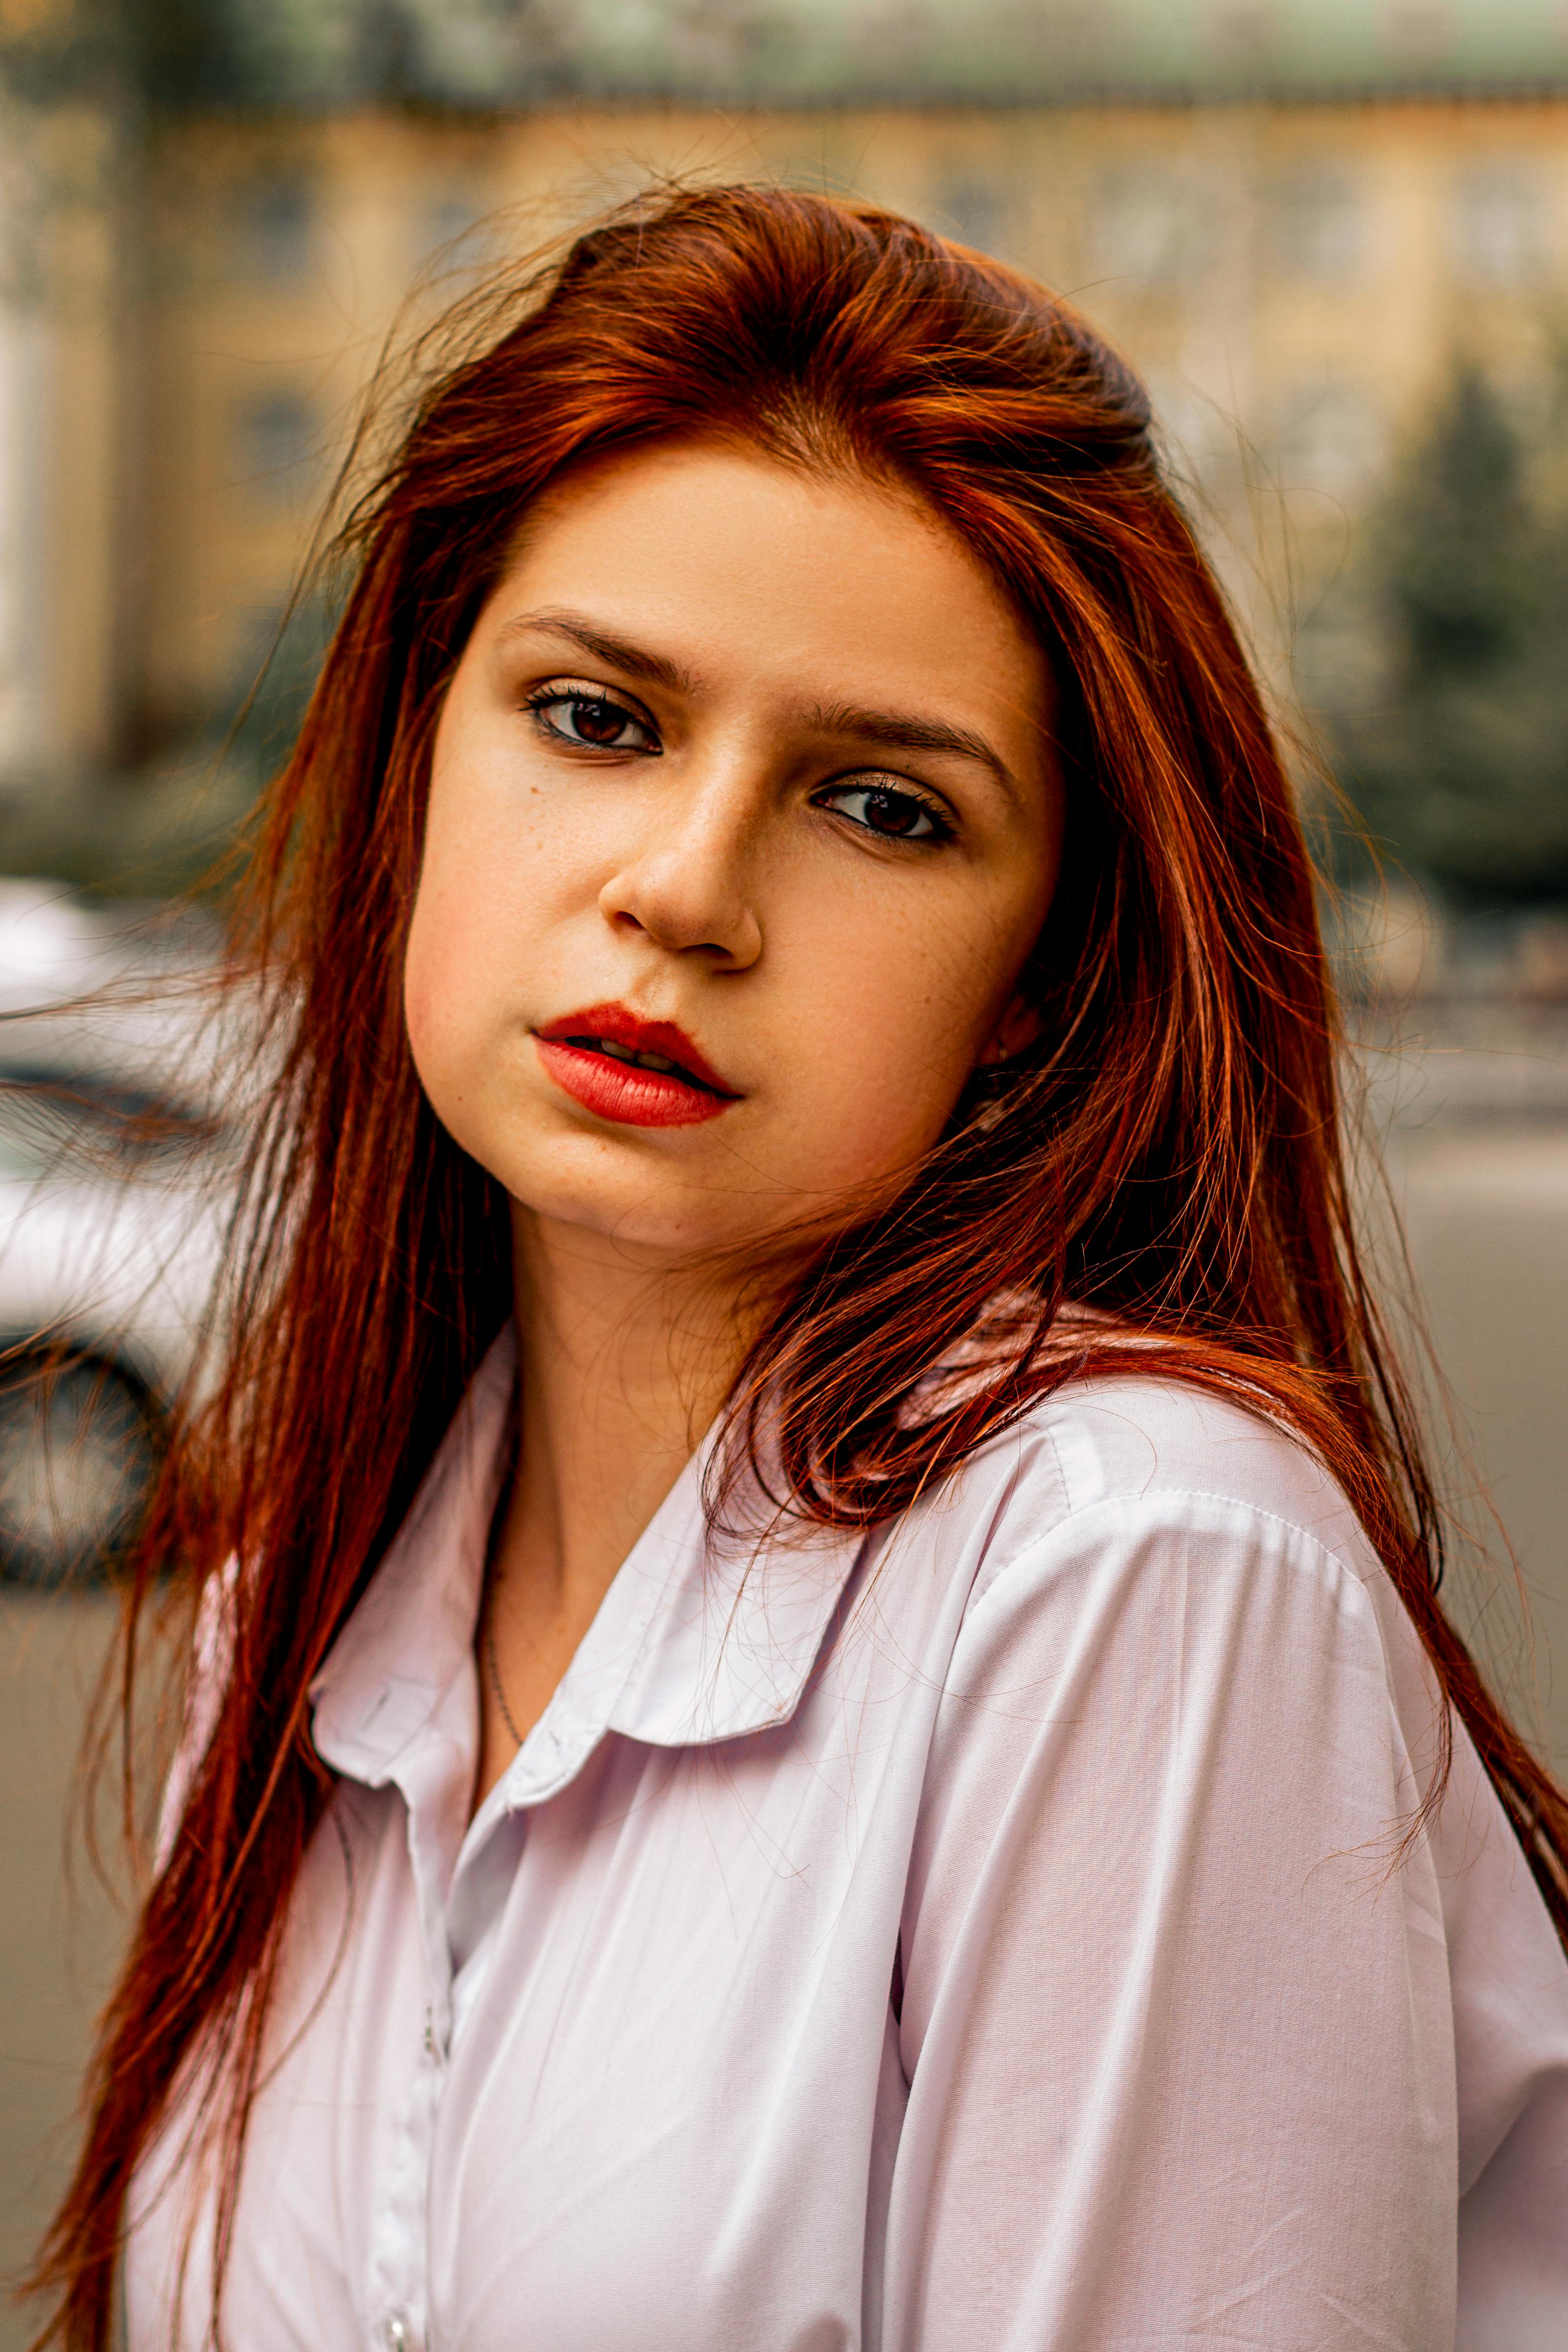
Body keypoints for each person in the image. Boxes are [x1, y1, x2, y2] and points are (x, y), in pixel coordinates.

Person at [30, 184, 1568, 2352]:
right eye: (593, 719)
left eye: (880, 808)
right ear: (415, 761)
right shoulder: (300, 1602)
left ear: (1035, 978)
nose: (683, 888)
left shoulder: (1130, 1570)